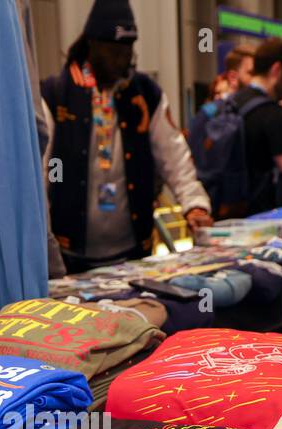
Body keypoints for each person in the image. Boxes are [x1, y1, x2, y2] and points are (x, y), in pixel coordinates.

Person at [41, 0, 211, 273]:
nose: (121, 60)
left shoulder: (145, 94)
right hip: (70, 256)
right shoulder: (56, 93)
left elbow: (175, 156)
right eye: (113, 51)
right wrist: (44, 247)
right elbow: (40, 174)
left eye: (127, 51)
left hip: (135, 254)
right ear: (92, 45)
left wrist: (195, 205)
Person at [231, 38, 282, 216]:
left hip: (226, 213)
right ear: (277, 70)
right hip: (257, 218)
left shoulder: (232, 102)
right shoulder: (273, 114)